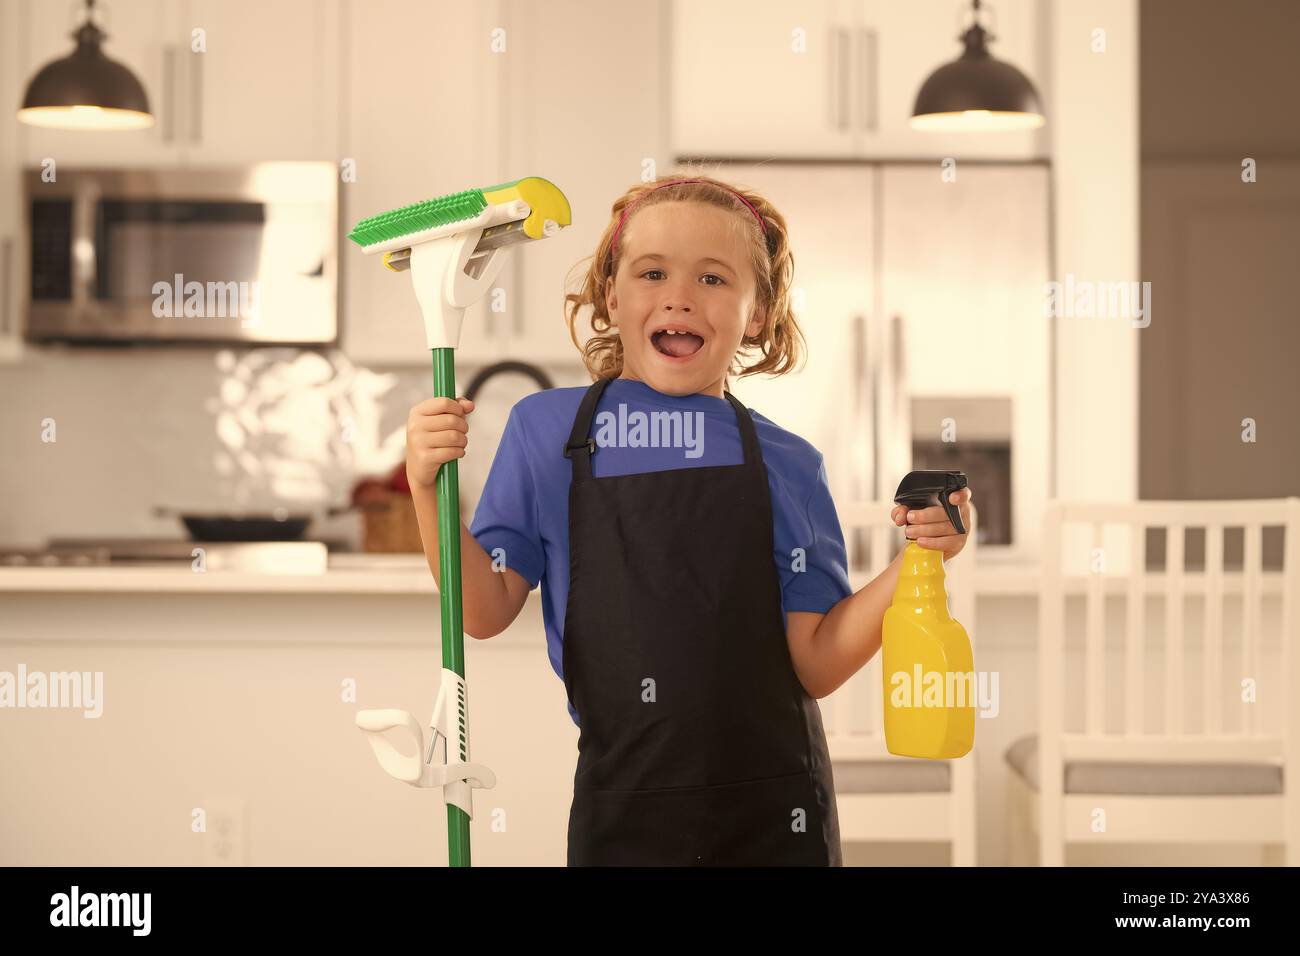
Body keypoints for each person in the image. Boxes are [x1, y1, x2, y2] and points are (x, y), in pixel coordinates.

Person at [405, 173, 974, 866]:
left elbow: (818, 662)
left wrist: (920, 559)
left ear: (756, 311)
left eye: (713, 278)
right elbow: (483, 609)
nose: (679, 296)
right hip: (625, 811)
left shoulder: (788, 462)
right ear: (613, 297)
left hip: (776, 813)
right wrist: (423, 482)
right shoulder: (547, 433)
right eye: (652, 273)